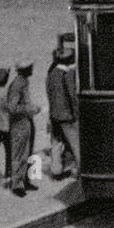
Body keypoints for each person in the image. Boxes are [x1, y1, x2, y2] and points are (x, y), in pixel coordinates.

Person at [6, 60, 42, 197]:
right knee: (19, 154)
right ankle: (17, 185)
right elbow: (12, 107)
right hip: (19, 124)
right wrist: (30, 109)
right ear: (25, 69)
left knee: (27, 153)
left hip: (26, 122)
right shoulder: (17, 85)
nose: (32, 69)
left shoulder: (24, 82)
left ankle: (25, 181)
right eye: (30, 67)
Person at [46, 47, 79, 179]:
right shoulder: (67, 75)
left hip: (54, 115)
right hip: (67, 116)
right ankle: (80, 170)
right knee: (76, 143)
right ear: (69, 60)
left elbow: (49, 94)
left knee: (55, 143)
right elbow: (72, 96)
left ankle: (56, 171)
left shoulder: (51, 73)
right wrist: (76, 114)